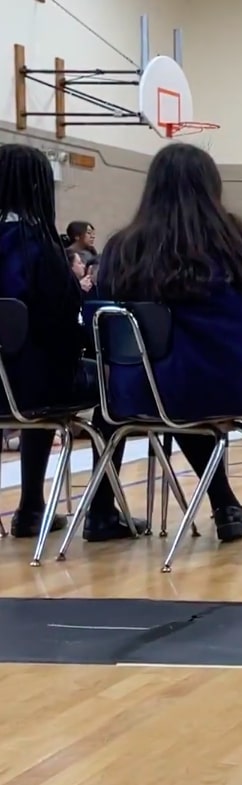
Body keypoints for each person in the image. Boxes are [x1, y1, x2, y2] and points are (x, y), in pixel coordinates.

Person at [98, 143, 242, 543]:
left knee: (178, 391)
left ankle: (225, 507)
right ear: (213, 185)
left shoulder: (123, 248)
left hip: (157, 388)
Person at [0, 144, 124, 538]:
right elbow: (64, 330)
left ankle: (34, 507)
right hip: (33, 383)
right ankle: (88, 511)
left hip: (4, 383)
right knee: (108, 383)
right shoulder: (38, 246)